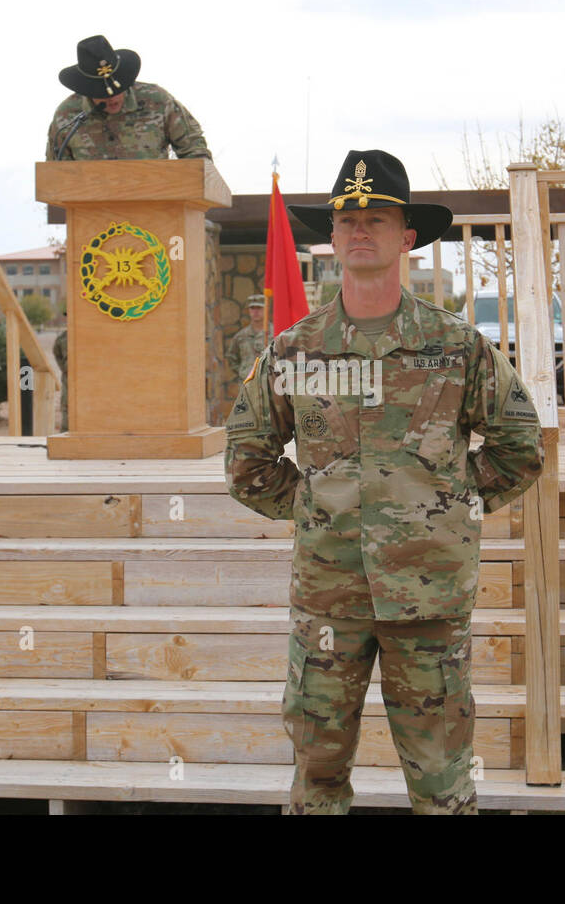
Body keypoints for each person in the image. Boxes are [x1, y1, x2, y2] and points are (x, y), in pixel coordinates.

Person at [224, 149, 544, 815]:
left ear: (407, 237)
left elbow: (520, 448)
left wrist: (449, 508)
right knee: (316, 774)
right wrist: (316, 507)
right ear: (332, 238)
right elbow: (247, 460)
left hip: (427, 596)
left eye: (378, 217)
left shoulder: (458, 347)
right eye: (348, 219)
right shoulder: (293, 351)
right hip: (328, 597)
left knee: (442, 780)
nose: (361, 229)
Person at [45, 35, 211, 161]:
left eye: (118, 90)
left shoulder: (158, 101)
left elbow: (195, 151)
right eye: (101, 95)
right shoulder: (67, 117)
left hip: (158, 201)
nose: (112, 99)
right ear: (86, 91)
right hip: (91, 204)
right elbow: (56, 174)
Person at [226, 294, 267, 381]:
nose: (256, 312)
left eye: (259, 308)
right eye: (252, 308)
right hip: (246, 382)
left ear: (265, 309)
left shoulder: (274, 334)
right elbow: (231, 357)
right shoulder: (241, 336)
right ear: (248, 310)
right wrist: (242, 371)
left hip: (267, 383)